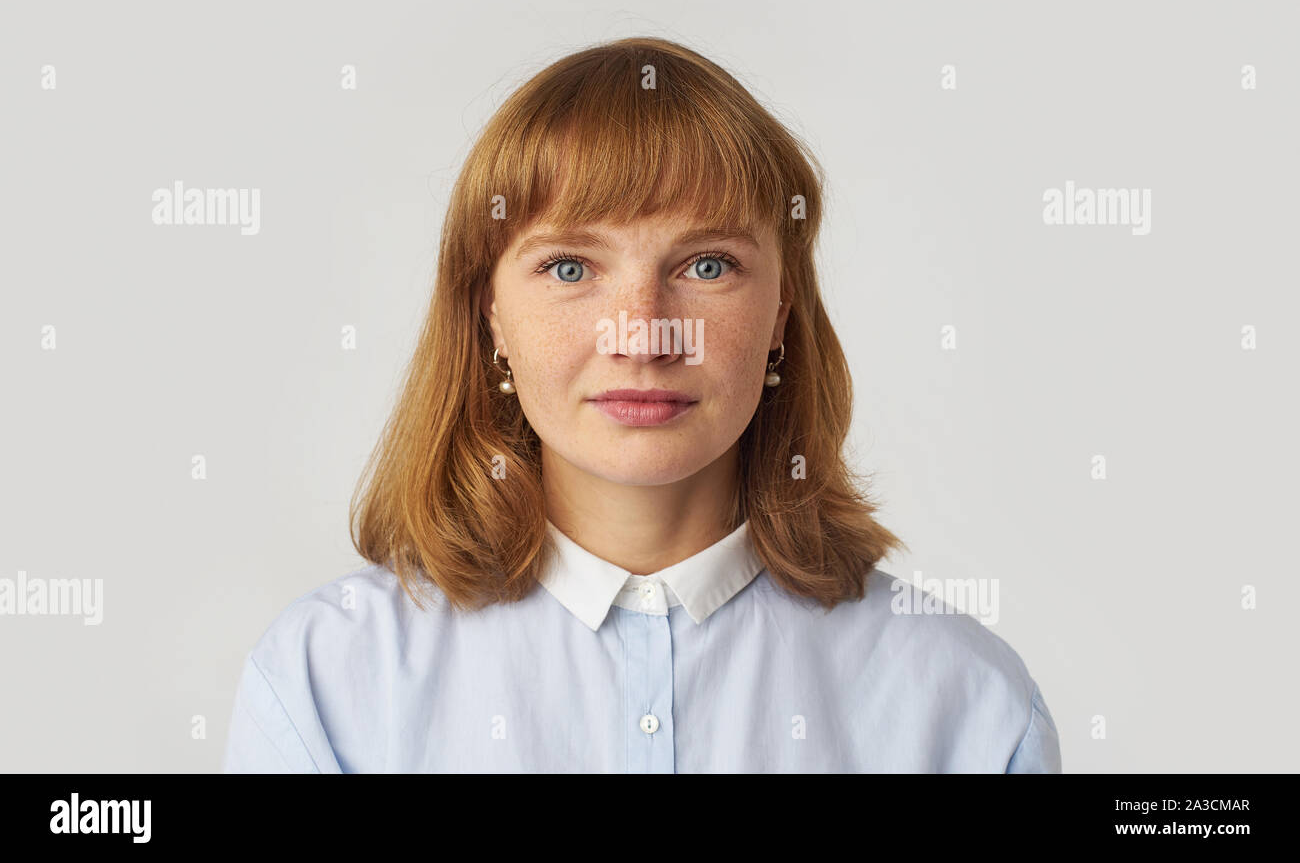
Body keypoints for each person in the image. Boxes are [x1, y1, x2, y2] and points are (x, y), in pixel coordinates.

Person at [222, 37, 1061, 773]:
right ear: (490, 317)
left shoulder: (968, 706)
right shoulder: (326, 683)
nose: (644, 336)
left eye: (705, 267)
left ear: (781, 313)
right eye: (569, 269)